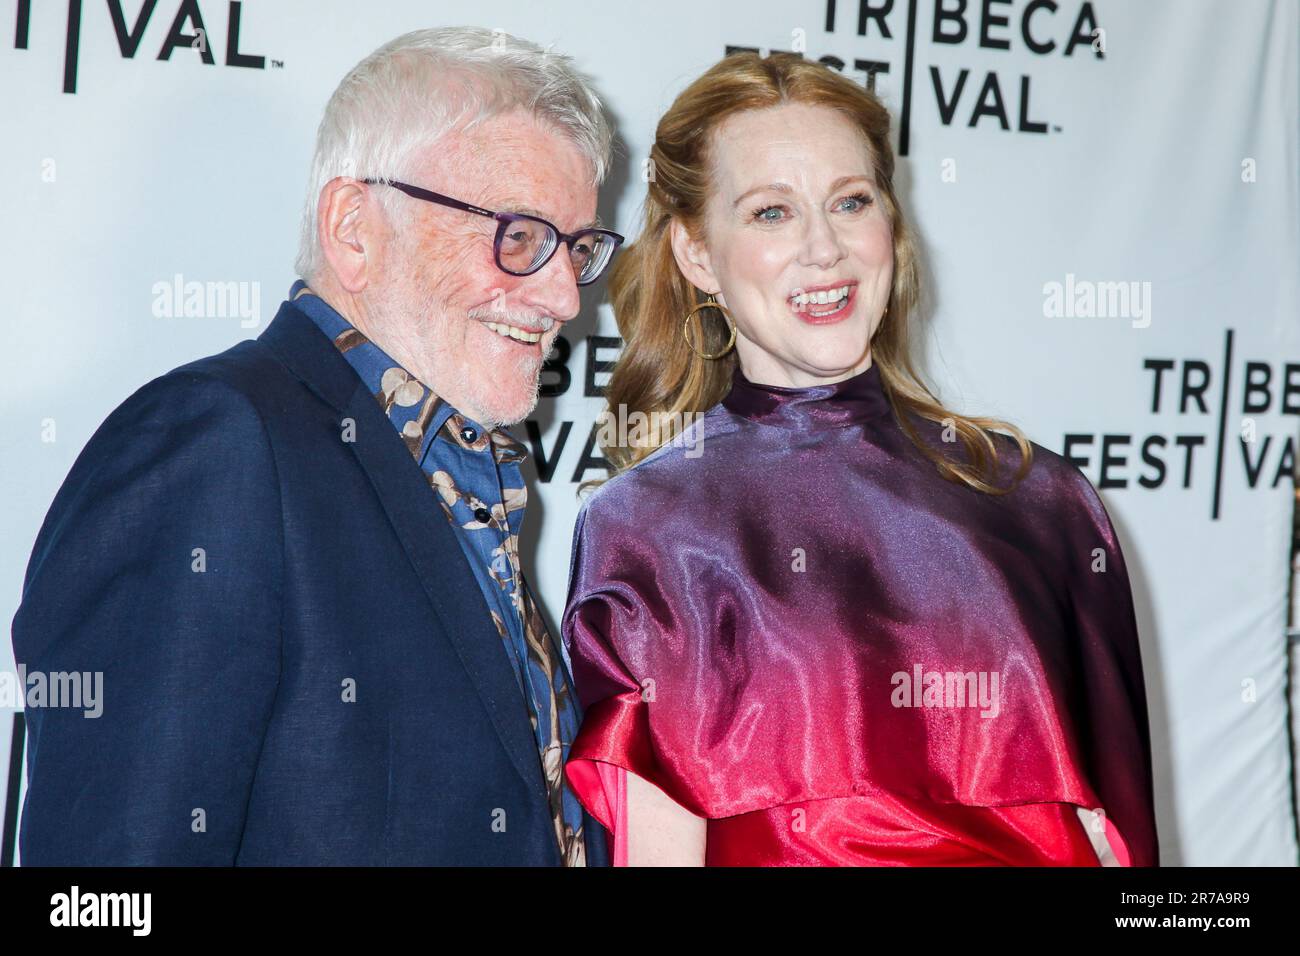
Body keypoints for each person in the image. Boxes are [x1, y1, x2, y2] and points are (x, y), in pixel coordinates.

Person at [12, 27, 622, 866]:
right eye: (519, 237)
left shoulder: (464, 471)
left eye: (579, 249)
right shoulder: (218, 447)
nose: (562, 296)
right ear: (354, 228)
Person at [561, 52, 1159, 866]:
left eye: (851, 202)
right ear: (698, 255)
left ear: (892, 224)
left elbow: (1119, 845)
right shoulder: (647, 529)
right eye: (771, 213)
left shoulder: (1044, 502)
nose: (824, 249)